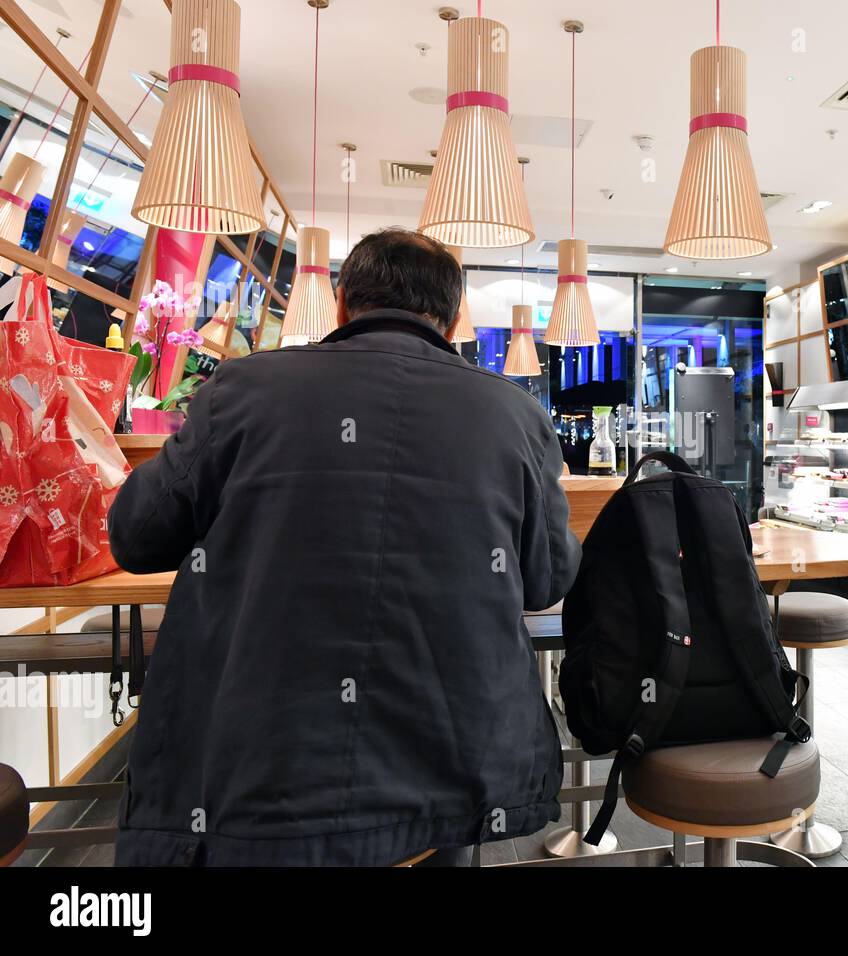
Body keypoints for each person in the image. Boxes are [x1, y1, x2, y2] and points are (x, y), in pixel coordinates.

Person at [108, 228, 581, 866]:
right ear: (451, 319)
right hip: (453, 770)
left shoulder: (243, 388)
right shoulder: (516, 416)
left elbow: (135, 537)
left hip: (263, 774)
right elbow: (549, 578)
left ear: (339, 304)